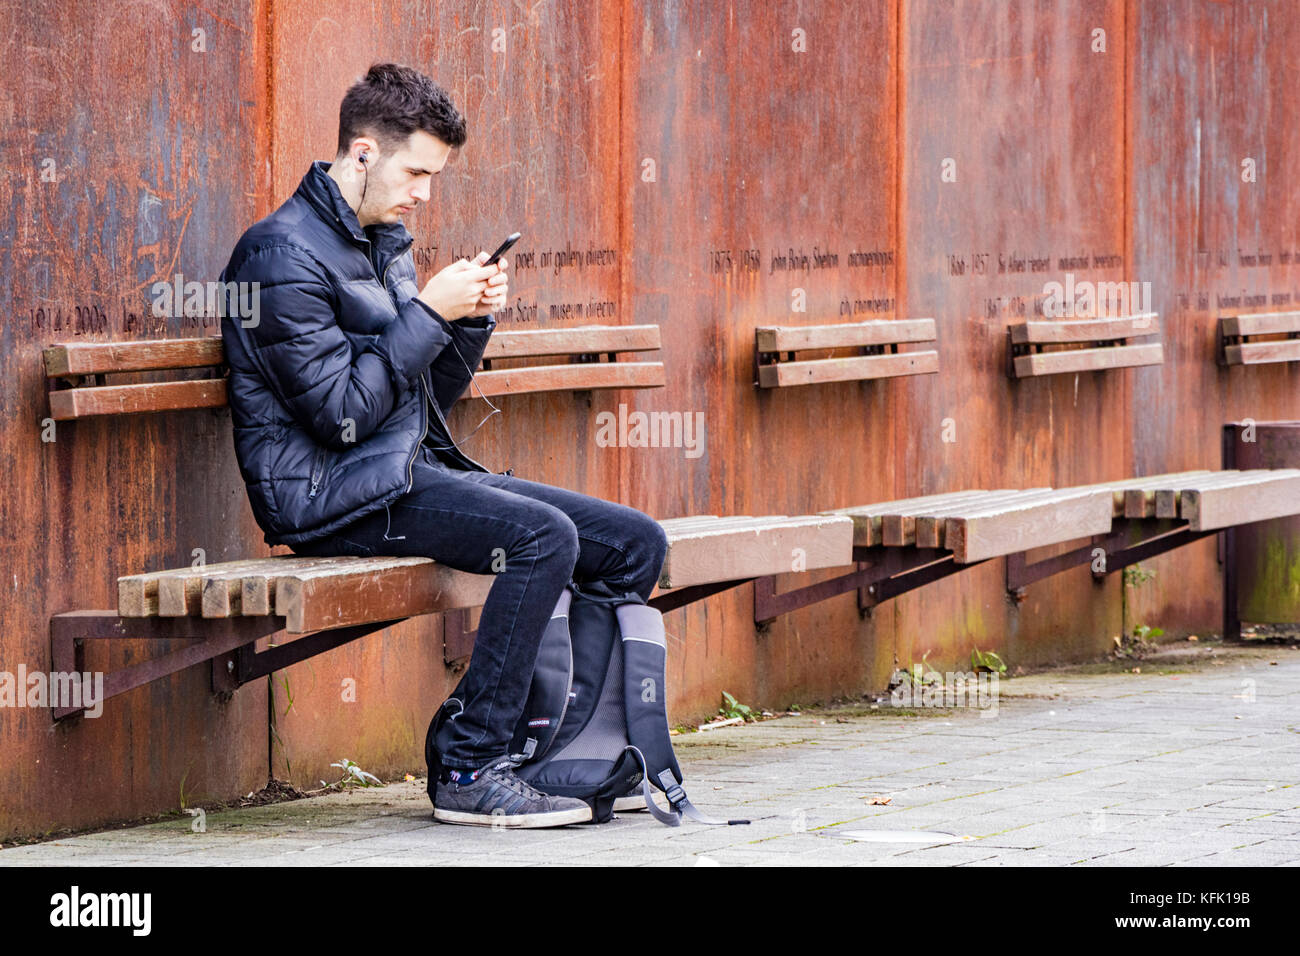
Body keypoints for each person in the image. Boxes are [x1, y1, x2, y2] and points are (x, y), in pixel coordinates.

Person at [219, 62, 668, 828]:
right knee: (542, 538)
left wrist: (467, 320)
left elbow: (428, 394)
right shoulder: (277, 256)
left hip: (398, 472)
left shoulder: (379, 242)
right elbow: (339, 417)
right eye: (417, 171)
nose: (424, 193)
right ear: (363, 153)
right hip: (328, 495)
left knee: (633, 544)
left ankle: (561, 750)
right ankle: (468, 760)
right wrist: (427, 310)